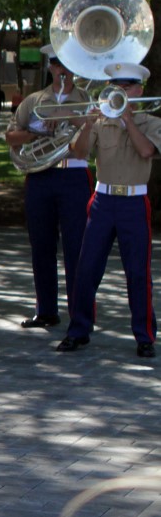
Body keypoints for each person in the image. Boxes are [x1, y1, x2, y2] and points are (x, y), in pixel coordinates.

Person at [57, 63, 161, 358]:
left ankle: (144, 336)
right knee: (86, 269)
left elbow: (146, 152)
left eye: (127, 87)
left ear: (139, 90)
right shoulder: (102, 121)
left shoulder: (150, 122)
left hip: (133, 202)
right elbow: (79, 153)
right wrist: (88, 124)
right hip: (102, 200)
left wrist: (128, 120)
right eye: (116, 87)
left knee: (137, 273)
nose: (121, 92)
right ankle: (78, 330)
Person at [4, 44, 90, 330]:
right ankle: (46, 311)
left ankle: (80, 316)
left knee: (76, 248)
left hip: (74, 176)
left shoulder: (86, 100)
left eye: (66, 65)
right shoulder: (34, 101)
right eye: (56, 64)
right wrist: (34, 132)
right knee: (41, 246)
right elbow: (11, 137)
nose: (61, 70)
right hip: (40, 176)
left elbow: (92, 140)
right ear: (50, 66)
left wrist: (65, 114)